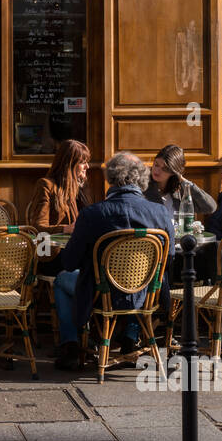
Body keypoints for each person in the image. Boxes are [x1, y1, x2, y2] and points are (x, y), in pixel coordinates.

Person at [45, 152, 173, 371]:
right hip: (144, 293)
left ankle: (71, 346)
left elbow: (69, 262)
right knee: (139, 280)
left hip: (101, 293)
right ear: (141, 179)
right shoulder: (159, 213)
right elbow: (169, 259)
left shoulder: (93, 214)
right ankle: (130, 338)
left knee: (61, 280)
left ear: (110, 178)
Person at [26, 139, 90, 232]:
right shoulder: (46, 185)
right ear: (69, 164)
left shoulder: (80, 186)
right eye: (83, 162)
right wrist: (64, 229)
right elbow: (37, 227)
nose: (87, 166)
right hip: (53, 245)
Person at [144, 144, 217, 220]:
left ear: (173, 172)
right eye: (156, 165)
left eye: (164, 169)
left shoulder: (180, 190)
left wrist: (184, 182)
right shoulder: (142, 185)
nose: (157, 171)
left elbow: (210, 207)